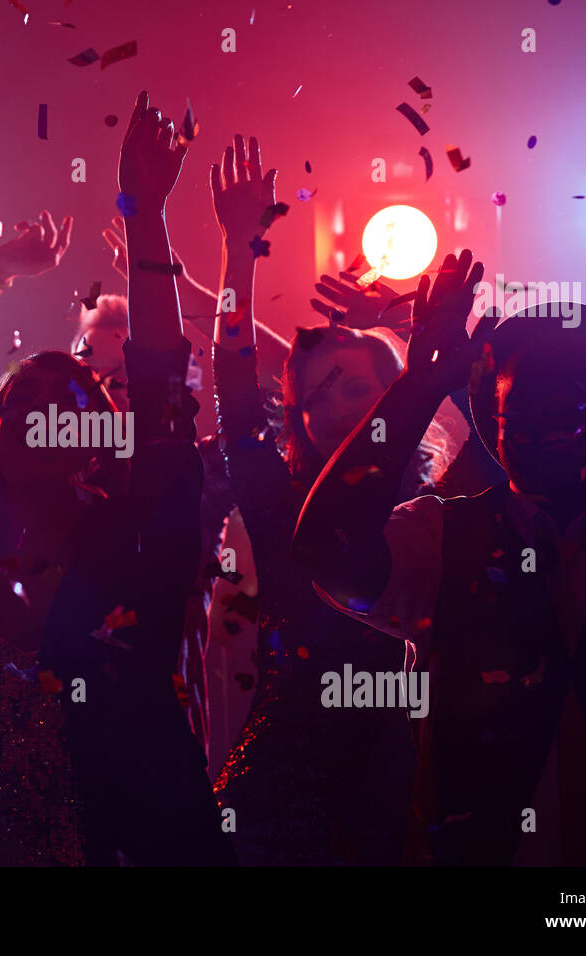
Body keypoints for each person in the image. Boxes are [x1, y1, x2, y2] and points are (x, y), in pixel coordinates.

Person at [0, 92, 235, 866]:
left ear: (97, 435)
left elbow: (163, 387)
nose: (37, 412)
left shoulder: (141, 553)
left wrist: (146, 215)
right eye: (18, 399)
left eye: (66, 399)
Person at [294, 249, 586, 865]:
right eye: (529, 404)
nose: (555, 421)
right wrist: (420, 383)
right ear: (493, 424)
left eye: (577, 400)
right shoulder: (439, 541)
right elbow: (328, 552)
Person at [206, 135, 450, 864]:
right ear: (300, 422)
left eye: (358, 384)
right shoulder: (280, 507)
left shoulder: (447, 508)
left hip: (427, 794)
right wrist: (238, 252)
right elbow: (234, 395)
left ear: (394, 393)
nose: (341, 403)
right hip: (286, 806)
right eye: (319, 394)